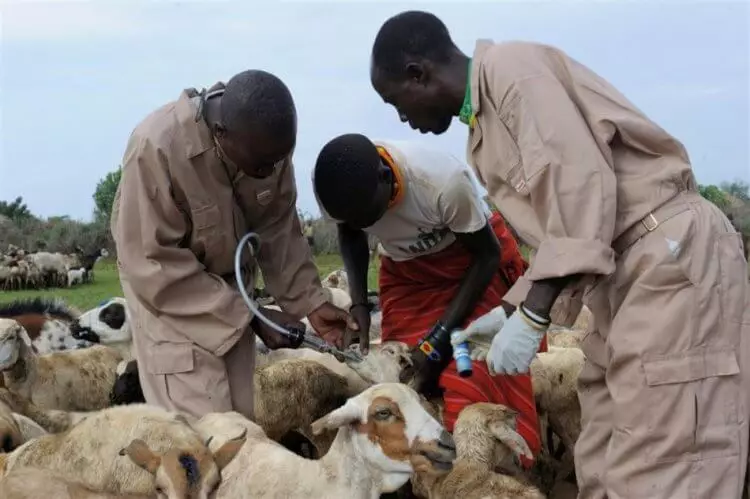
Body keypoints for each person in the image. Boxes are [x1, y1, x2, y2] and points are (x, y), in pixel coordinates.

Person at [369, 11, 750, 499]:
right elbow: (561, 234)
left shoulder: (512, 74)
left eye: (396, 101)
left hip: (666, 256)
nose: (401, 118)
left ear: (417, 73)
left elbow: (580, 189)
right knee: (603, 445)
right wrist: (509, 311)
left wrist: (531, 317)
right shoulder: (484, 128)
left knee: (667, 457)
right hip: (622, 273)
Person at [111, 69, 357, 421]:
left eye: (279, 161)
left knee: (240, 421)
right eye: (262, 165)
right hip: (168, 298)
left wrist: (311, 302)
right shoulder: (156, 148)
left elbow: (278, 225)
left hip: (232, 290)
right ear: (221, 135)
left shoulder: (266, 146)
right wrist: (249, 317)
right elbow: (151, 263)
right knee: (204, 429)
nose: (271, 170)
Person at [312, 133, 546, 466]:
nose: (365, 224)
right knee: (401, 384)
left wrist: (436, 341)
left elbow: (487, 256)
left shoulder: (442, 182)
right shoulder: (334, 185)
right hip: (408, 279)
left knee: (469, 375)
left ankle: (479, 472)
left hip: (468, 270)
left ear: (384, 175)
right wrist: (360, 304)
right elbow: (349, 232)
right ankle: (418, 475)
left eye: (367, 215)